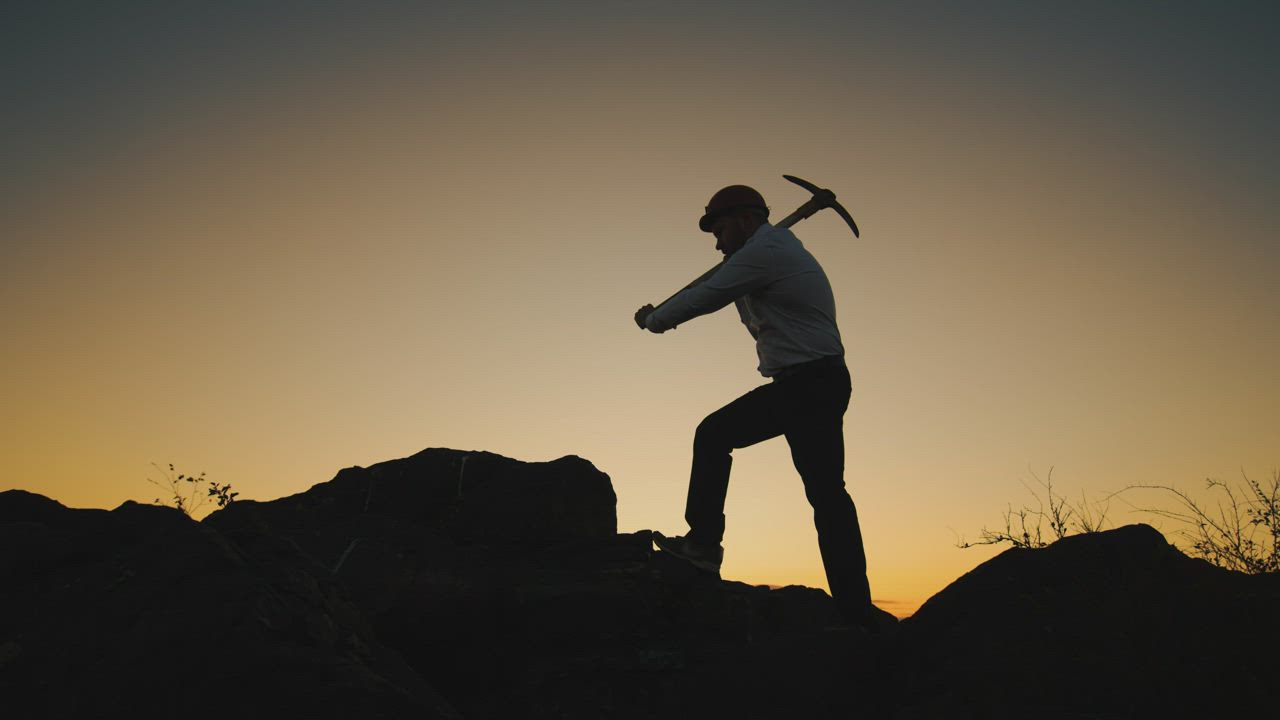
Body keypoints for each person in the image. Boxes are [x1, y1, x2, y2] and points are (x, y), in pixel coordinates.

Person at [634, 184, 876, 627]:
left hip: (809, 383)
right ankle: (855, 608)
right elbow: (724, 286)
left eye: (720, 229)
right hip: (815, 381)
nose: (717, 241)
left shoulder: (765, 251)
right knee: (826, 494)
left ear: (746, 221)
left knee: (714, 435)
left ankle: (704, 546)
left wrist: (655, 320)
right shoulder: (766, 251)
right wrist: (722, 271)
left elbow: (707, 297)